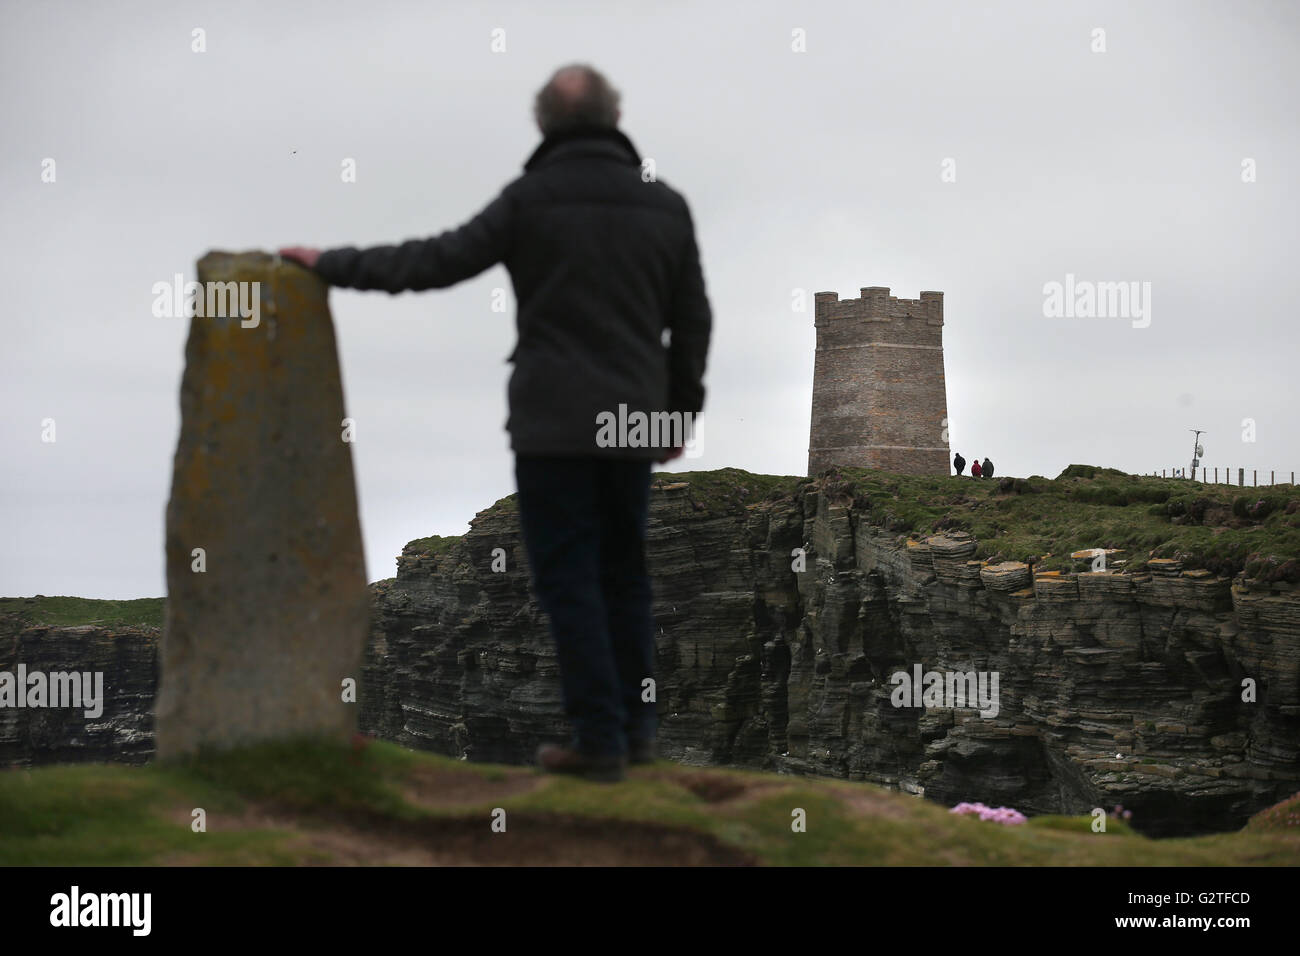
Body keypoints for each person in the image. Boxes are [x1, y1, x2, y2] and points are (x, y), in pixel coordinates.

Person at [280, 64, 712, 783]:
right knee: (625, 575)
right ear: (615, 117)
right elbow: (692, 321)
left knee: (570, 577)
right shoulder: (664, 205)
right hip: (633, 419)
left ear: (542, 123)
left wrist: (332, 264)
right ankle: (636, 733)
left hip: (553, 422)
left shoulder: (530, 200)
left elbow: (435, 260)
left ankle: (598, 740)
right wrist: (679, 413)